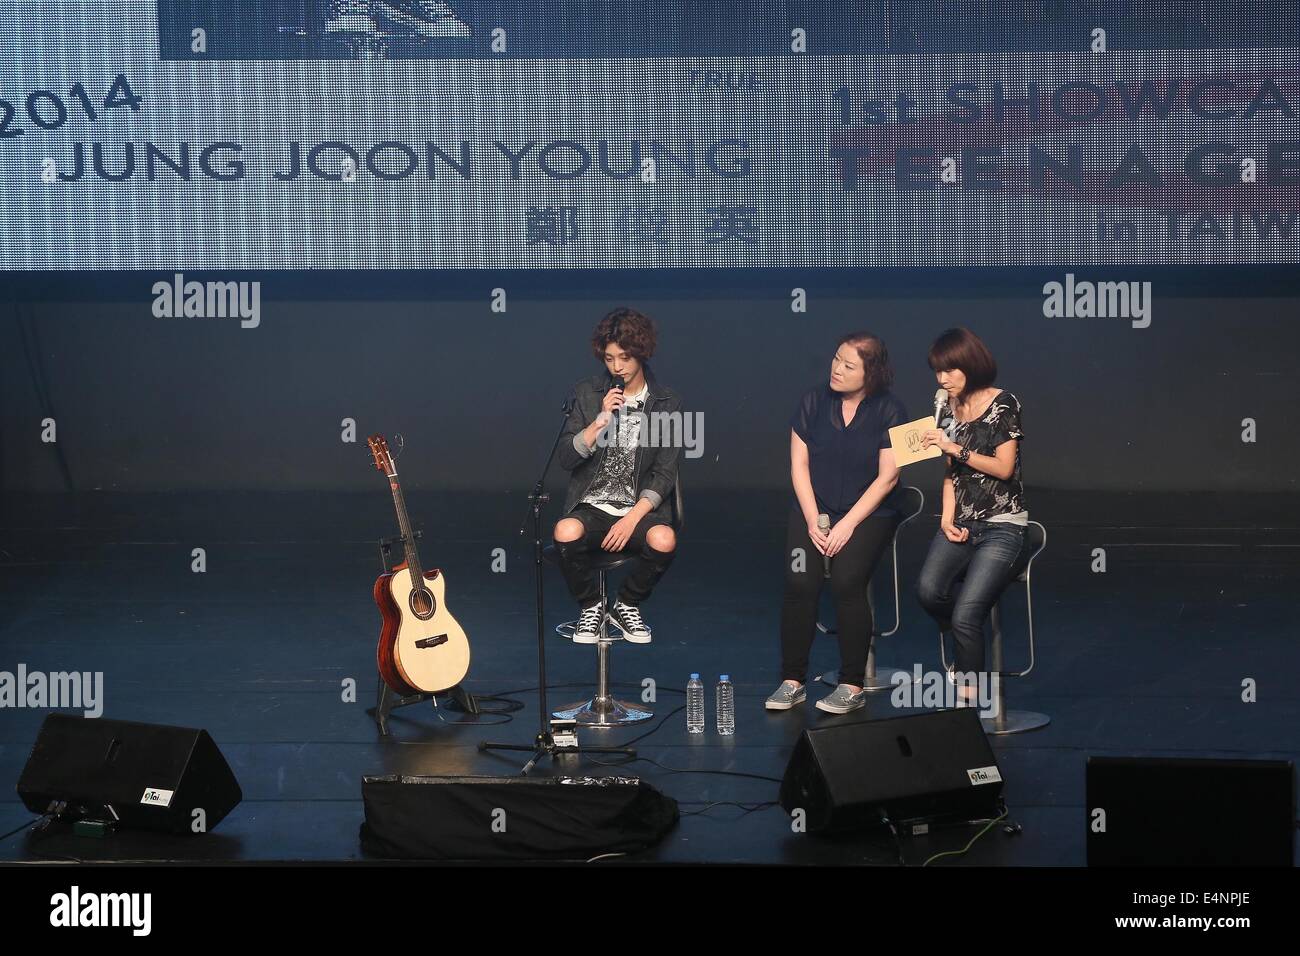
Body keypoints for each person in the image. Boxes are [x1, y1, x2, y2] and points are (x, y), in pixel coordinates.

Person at [766, 332, 907, 715]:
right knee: (800, 581)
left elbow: (888, 479)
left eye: (849, 365)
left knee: (847, 581)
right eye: (836, 359)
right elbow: (798, 465)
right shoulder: (812, 401)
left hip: (869, 512)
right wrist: (814, 520)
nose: (837, 369)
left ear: (871, 373)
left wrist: (847, 526)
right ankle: (792, 680)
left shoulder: (892, 410)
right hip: (815, 507)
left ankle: (851, 684)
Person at [553, 309, 682, 644]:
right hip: (594, 505)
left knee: (664, 539)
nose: (617, 367)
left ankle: (626, 604)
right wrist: (597, 423)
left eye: (624, 358)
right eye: (610, 359)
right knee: (564, 530)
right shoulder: (587, 393)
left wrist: (631, 519)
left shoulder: (665, 402)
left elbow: (665, 471)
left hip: (638, 510)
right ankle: (591, 606)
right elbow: (566, 458)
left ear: (641, 353)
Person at [916, 327, 1028, 704]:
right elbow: (950, 473)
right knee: (929, 592)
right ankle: (967, 637)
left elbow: (1004, 468)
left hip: (1002, 525)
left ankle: (971, 697)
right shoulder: (946, 408)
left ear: (971, 365)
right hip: (963, 521)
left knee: (966, 615)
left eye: (950, 370)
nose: (942, 379)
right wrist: (946, 520)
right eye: (937, 371)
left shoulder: (1004, 403)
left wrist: (955, 447)